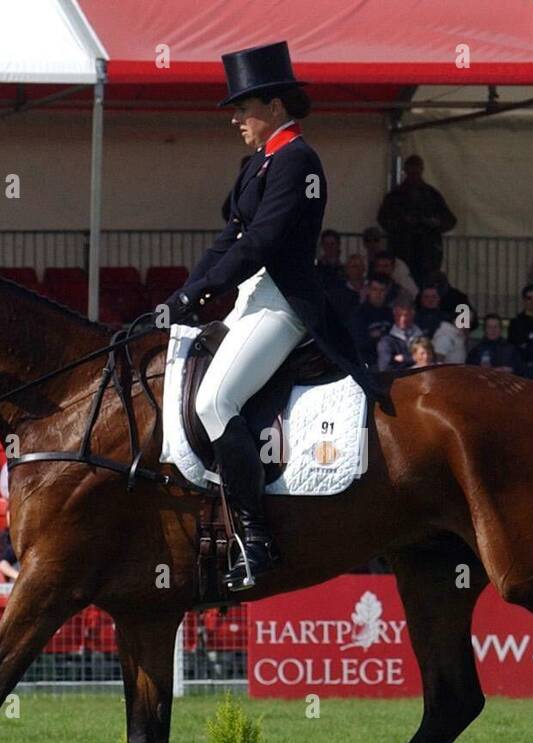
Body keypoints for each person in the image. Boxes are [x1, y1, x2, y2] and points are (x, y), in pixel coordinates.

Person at [162, 41, 381, 592]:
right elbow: (229, 238)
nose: (236, 117)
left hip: (283, 300)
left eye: (244, 106)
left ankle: (255, 538)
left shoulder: (298, 162)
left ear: (276, 106)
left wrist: (208, 289)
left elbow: (261, 241)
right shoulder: (257, 164)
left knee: (216, 400)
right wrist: (183, 296)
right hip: (251, 297)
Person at [375, 155, 456, 281]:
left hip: (427, 253)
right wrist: (401, 223)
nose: (413, 176)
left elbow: (450, 220)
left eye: (416, 172)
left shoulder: (431, 194)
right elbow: (383, 219)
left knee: (426, 289)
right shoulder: (395, 196)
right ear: (405, 171)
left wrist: (434, 223)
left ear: (421, 170)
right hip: (403, 250)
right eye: (410, 172)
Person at [360, 226, 418, 303]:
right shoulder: (361, 262)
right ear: (364, 243)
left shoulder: (398, 264)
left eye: (376, 240)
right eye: (368, 240)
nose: (372, 243)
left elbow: (412, 291)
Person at [377, 301, 421, 371]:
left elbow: (428, 358)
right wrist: (415, 359)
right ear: (394, 316)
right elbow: (385, 368)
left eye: (406, 315)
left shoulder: (421, 335)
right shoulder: (386, 340)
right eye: (399, 315)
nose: (402, 319)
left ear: (412, 315)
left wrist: (404, 358)